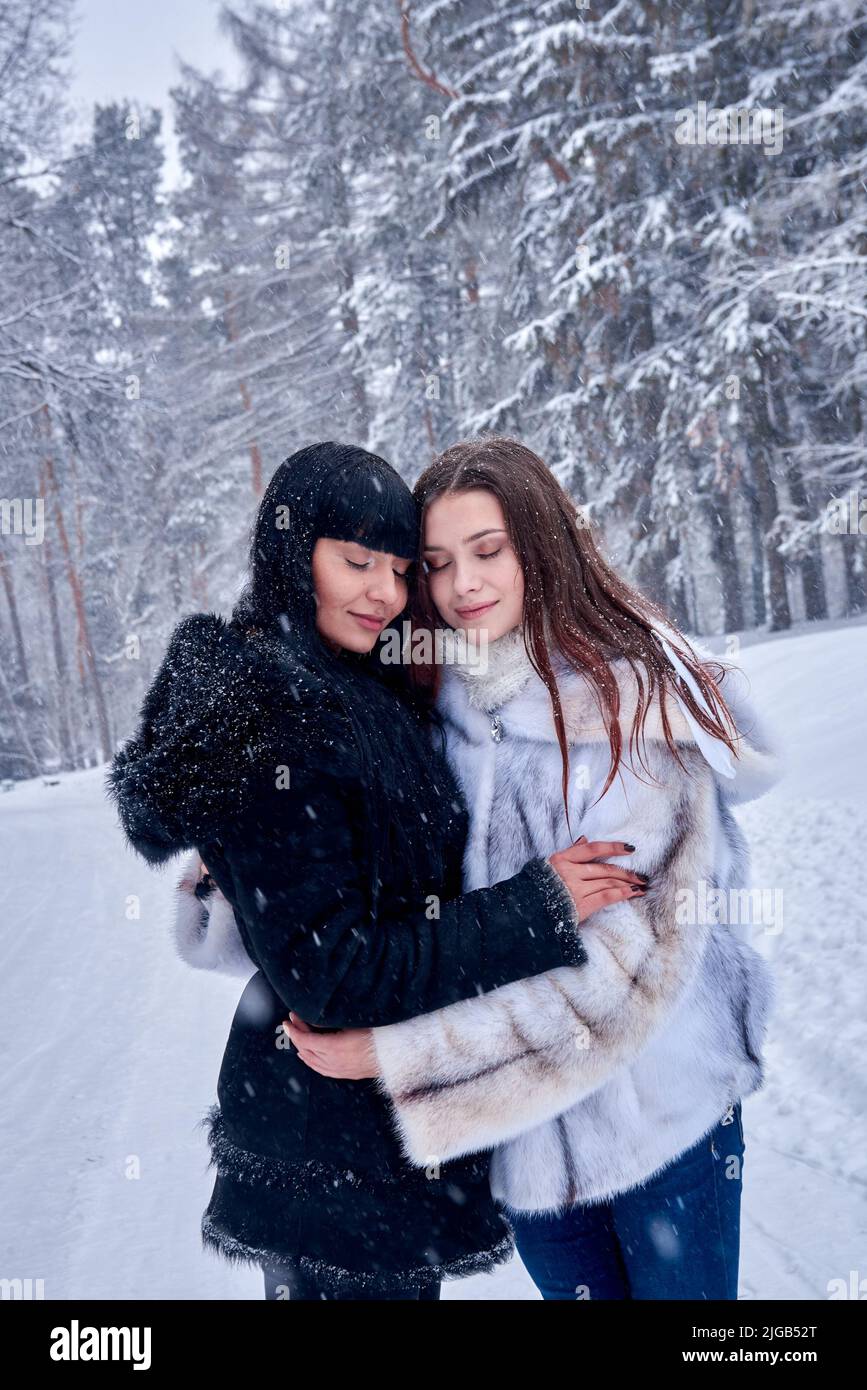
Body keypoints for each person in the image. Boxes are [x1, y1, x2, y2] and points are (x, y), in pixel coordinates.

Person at [106, 442, 645, 1300]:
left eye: (399, 569)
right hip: (330, 1155)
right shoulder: (272, 710)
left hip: (365, 1144)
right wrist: (535, 906)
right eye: (356, 562)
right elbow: (338, 973)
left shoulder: (355, 688)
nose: (385, 593)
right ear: (292, 554)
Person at [284, 435, 785, 1300]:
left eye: (488, 551)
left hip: (661, 1117)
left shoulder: (628, 713)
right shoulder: (434, 714)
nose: (463, 585)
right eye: (437, 563)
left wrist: (400, 1057)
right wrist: (257, 837)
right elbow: (379, 901)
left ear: (542, 545)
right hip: (532, 1150)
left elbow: (616, 986)